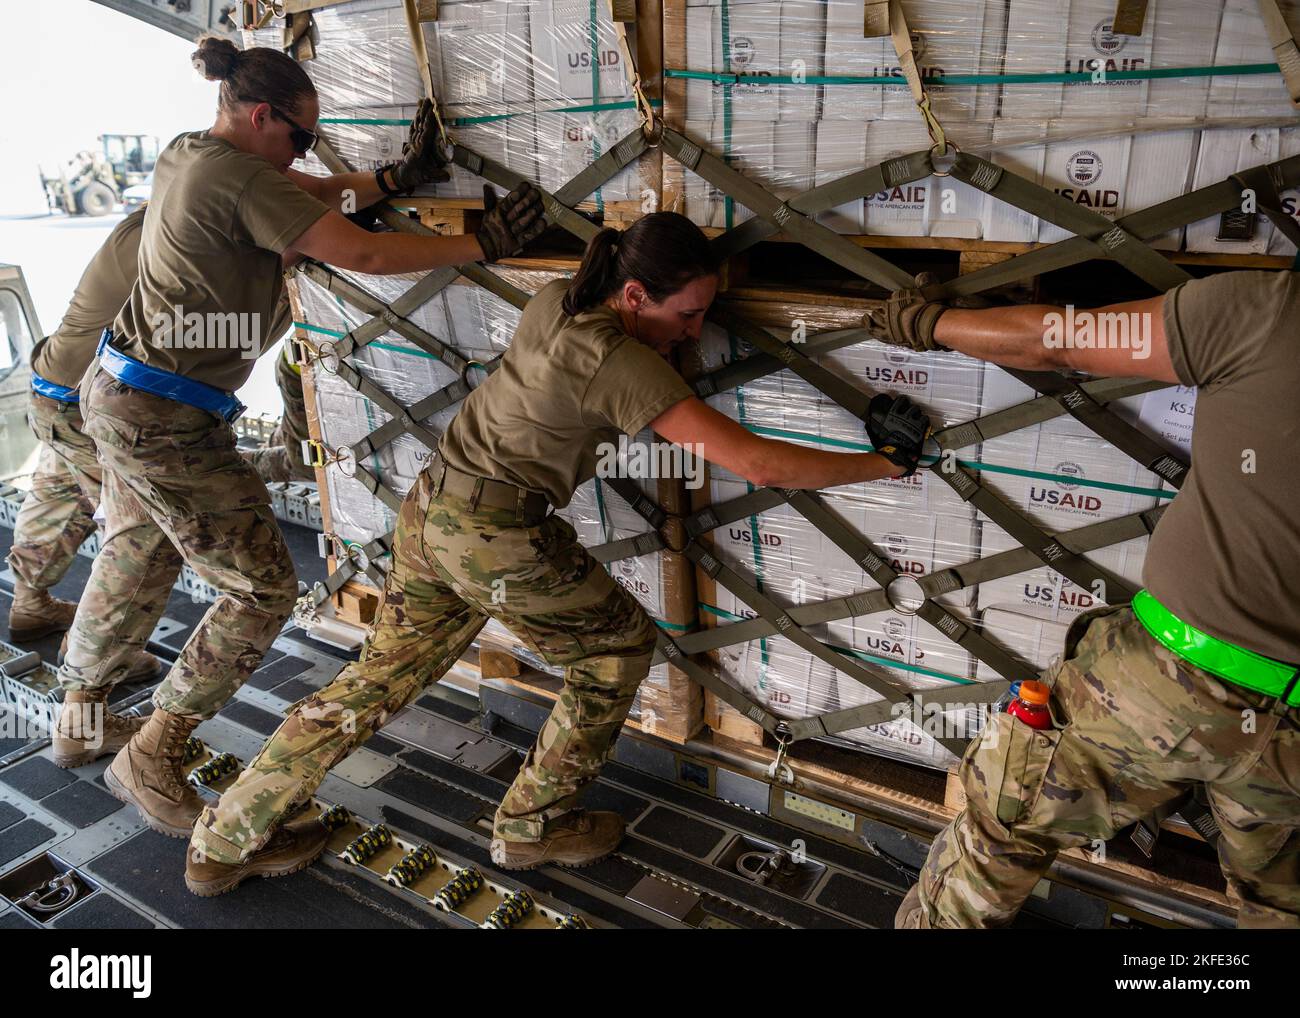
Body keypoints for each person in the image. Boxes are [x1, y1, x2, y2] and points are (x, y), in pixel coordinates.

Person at [183, 211, 934, 895]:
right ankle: (531, 827)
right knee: (615, 651)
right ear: (635, 295)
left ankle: (227, 834)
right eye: (688, 314)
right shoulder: (623, 365)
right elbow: (761, 465)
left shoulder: (557, 302)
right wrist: (885, 463)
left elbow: (615, 373)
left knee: (376, 680)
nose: (693, 330)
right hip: (497, 536)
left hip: (433, 509)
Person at [52, 35, 545, 841]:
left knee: (133, 549)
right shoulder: (242, 177)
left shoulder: (191, 154)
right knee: (261, 590)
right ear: (258, 116)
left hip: (122, 394)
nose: (303, 155)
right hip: (165, 420)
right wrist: (480, 247)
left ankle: (78, 716)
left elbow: (320, 194)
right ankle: (150, 754)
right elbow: (362, 248)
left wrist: (393, 179)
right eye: (298, 136)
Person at [877, 272, 1300, 929]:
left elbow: (1058, 341)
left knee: (1002, 828)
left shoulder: (1270, 311)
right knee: (1282, 906)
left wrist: (930, 324)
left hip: (1163, 686)